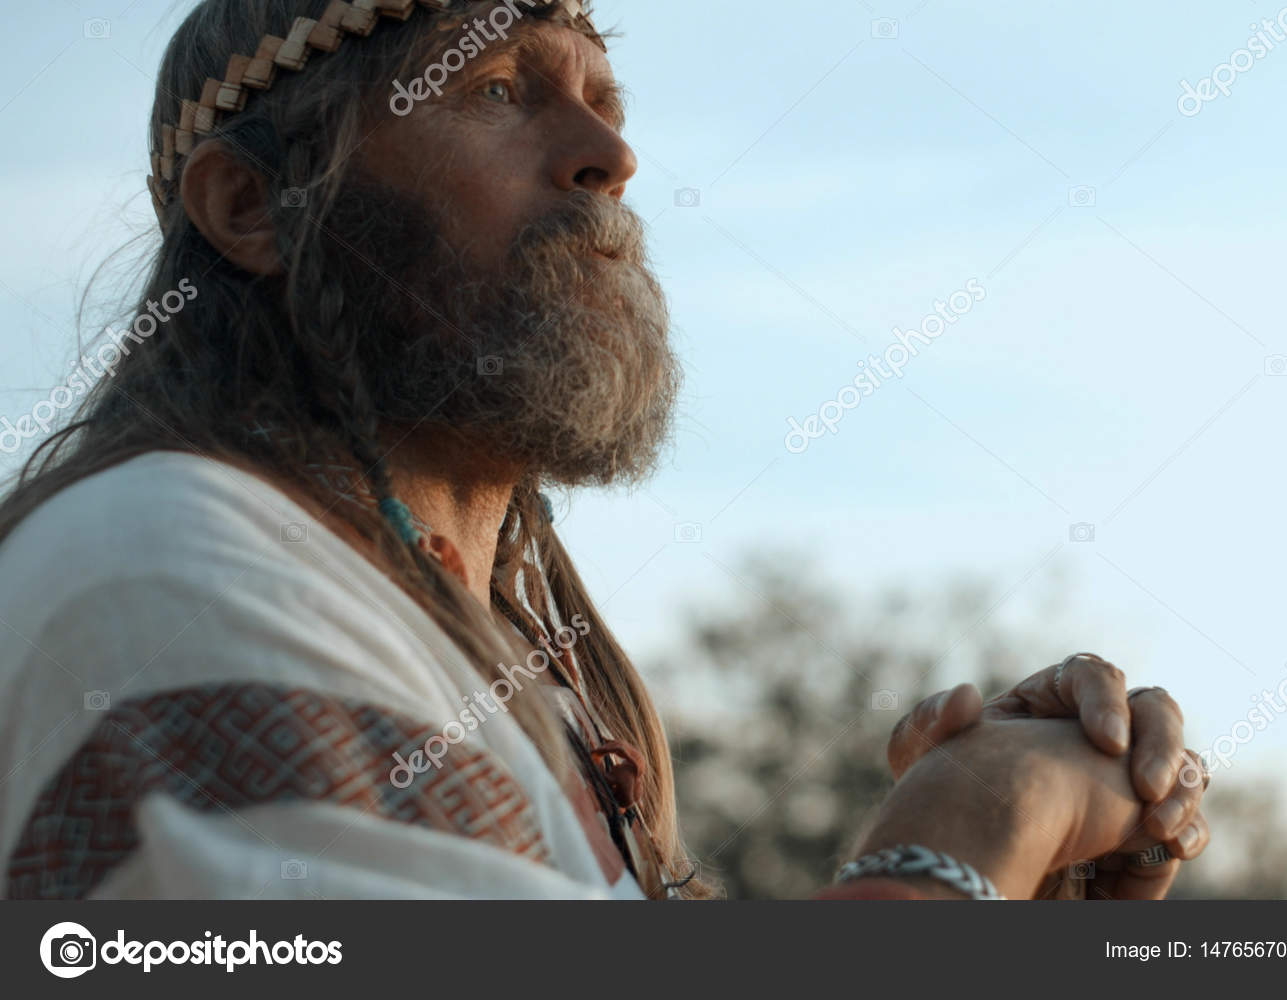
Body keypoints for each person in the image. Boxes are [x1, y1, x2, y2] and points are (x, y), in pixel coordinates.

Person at [0, 0, 1208, 900]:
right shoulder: (171, 565)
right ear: (254, 209)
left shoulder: (541, 667)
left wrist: (1011, 894)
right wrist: (969, 819)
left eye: (604, 100)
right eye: (494, 91)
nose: (609, 158)